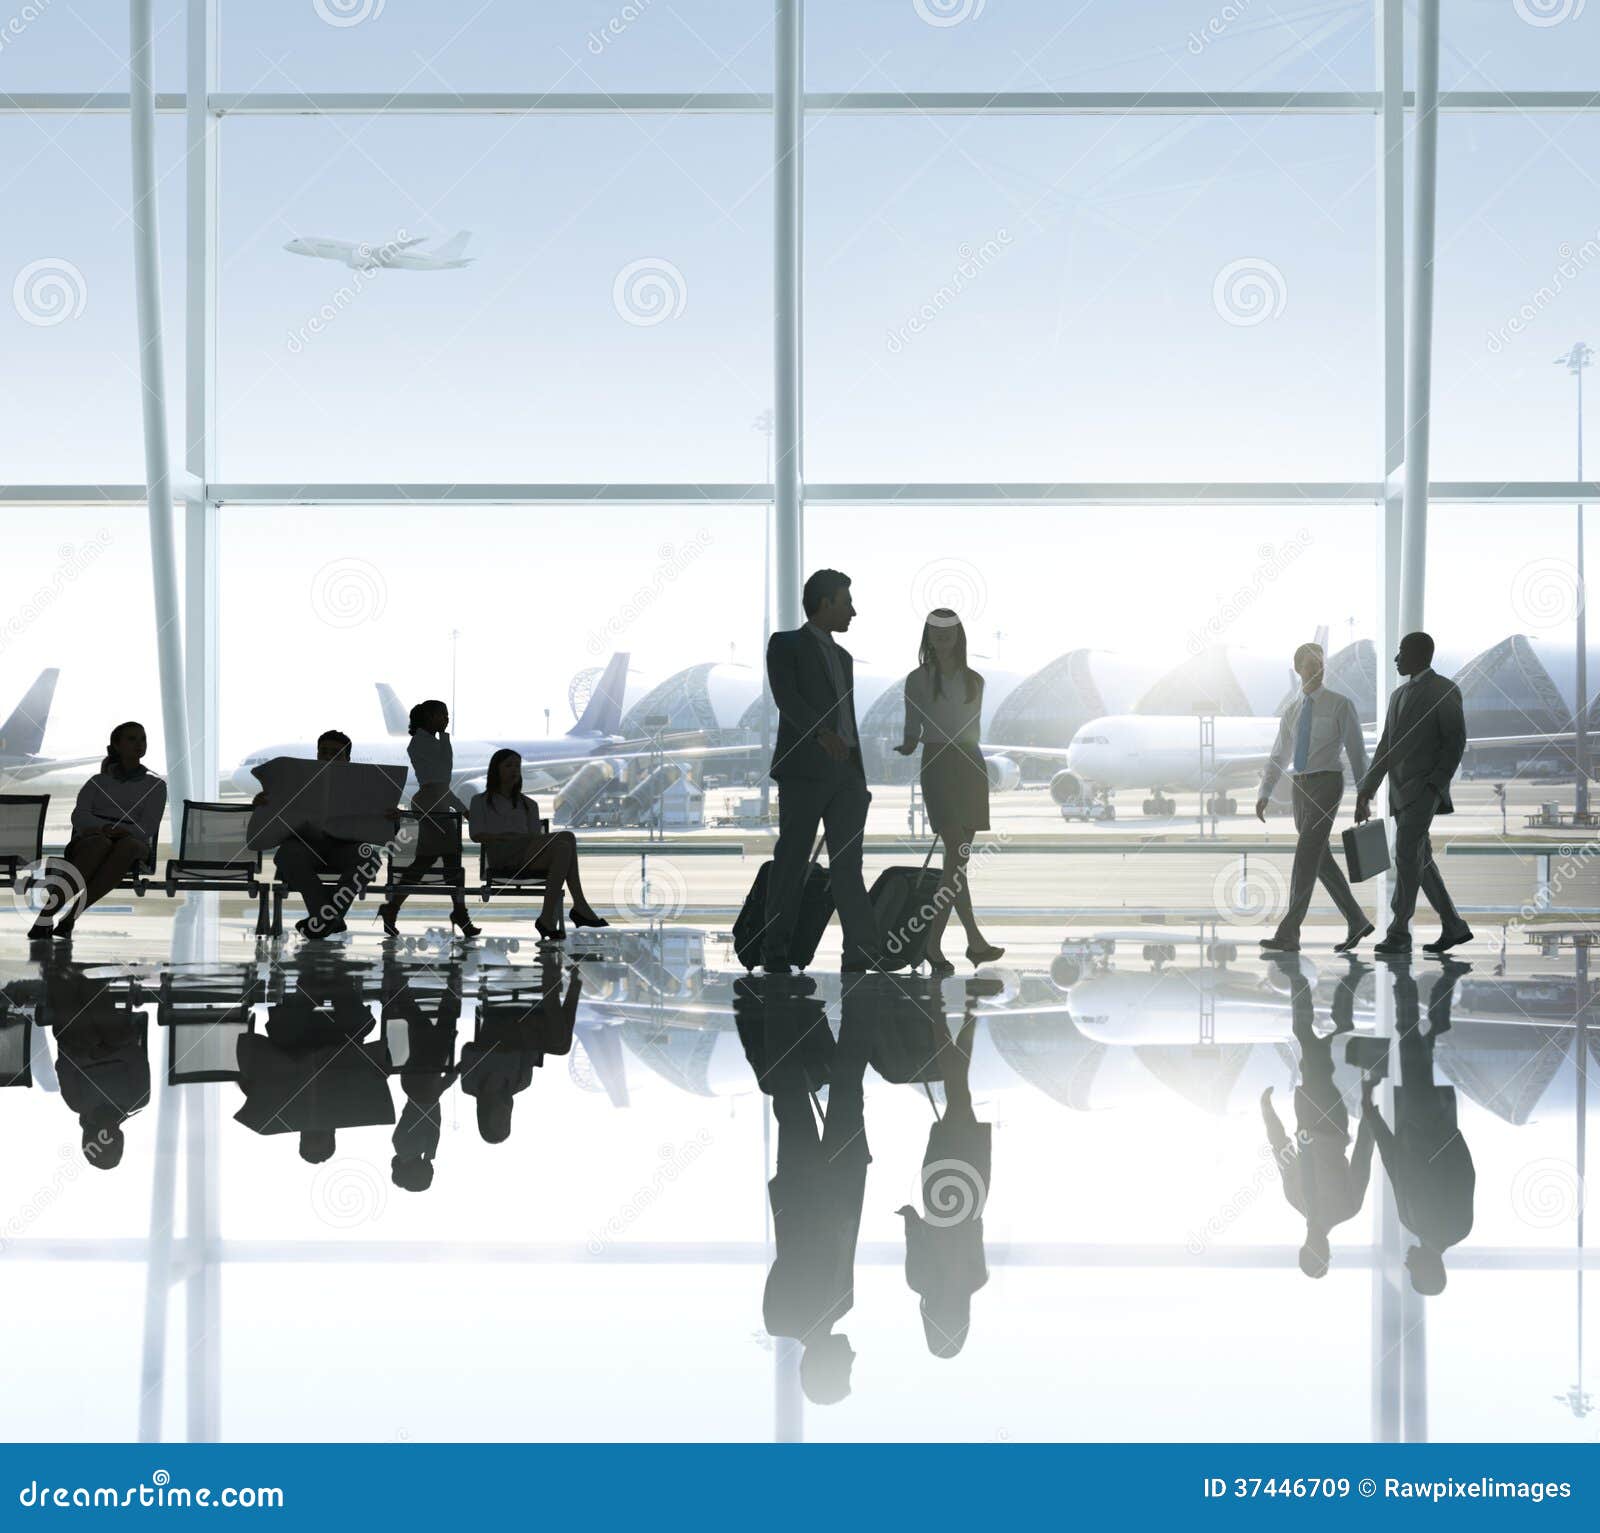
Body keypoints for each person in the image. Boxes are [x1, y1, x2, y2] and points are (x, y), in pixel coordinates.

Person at [733, 972, 872, 1405]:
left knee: (834, 1087)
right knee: (797, 1094)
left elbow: (826, 1241)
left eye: (845, 1369)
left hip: (829, 1181)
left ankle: (832, 1000)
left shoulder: (827, 1308)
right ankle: (781, 1004)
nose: (852, 1358)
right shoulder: (786, 1317)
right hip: (808, 1183)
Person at [762, 569, 884, 975]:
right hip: (805, 771)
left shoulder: (844, 658)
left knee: (848, 865)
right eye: (847, 602)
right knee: (792, 861)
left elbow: (847, 720)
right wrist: (820, 734)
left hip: (846, 774)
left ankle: (861, 952)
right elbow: (787, 699)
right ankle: (775, 950)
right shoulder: (785, 644)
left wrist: (859, 777)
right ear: (825, 603)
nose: (854, 611)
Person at [894, 609, 1005, 974]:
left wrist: (913, 743)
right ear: (928, 637)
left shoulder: (976, 680)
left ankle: (963, 941)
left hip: (969, 765)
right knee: (956, 859)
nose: (942, 639)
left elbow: (970, 729)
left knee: (956, 863)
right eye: (936, 633)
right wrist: (907, 746)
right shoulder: (917, 679)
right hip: (939, 763)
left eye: (948, 632)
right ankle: (944, 941)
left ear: (958, 635)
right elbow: (914, 728)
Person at [1355, 632, 1472, 958]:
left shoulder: (1444, 690)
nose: (1396, 658)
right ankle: (1454, 925)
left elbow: (1455, 740)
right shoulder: (1397, 696)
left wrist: (1436, 784)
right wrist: (1366, 789)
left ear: (1420, 654)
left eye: (1402, 652)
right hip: (1400, 792)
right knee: (1420, 860)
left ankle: (1398, 933)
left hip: (1424, 790)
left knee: (1405, 854)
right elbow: (1385, 748)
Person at [1363, 958, 1476, 1294]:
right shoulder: (1416, 1221)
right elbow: (1396, 1162)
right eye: (1413, 1271)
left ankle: (1446, 979)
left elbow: (1465, 1173)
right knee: (1411, 1040)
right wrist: (1373, 1113)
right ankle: (1402, 974)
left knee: (1422, 1045)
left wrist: (1448, 1134)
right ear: (1428, 1270)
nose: (1407, 1264)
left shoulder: (1457, 1228)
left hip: (1429, 1122)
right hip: (1420, 1119)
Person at [1260, 954, 1376, 1278]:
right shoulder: (1343, 1208)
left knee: (1315, 1045)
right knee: (1310, 1042)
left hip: (1308, 1114)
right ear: (1325, 1251)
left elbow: (1283, 1151)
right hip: (1327, 1121)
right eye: (1320, 1253)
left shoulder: (1298, 1199)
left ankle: (1348, 977)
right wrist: (1369, 1109)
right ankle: (1302, 974)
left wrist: (1268, 1113)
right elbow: (1363, 1157)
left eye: (1313, 1252)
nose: (1318, 1247)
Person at [1256, 642, 1373, 954]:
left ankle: (1289, 932)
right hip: (1300, 787)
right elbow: (1278, 755)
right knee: (1320, 859)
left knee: (1305, 855)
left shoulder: (1340, 704)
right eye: (1310, 665)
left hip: (1327, 783)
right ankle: (1357, 919)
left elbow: (1357, 752)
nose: (1317, 670)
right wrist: (1265, 791)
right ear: (1298, 669)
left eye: (1321, 664)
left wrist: (1365, 793)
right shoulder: (1292, 711)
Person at [896, 982, 994, 1356]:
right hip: (940, 1197)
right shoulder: (918, 1282)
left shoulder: (976, 1280)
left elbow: (977, 1231)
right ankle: (952, 1007)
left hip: (971, 1195)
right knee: (959, 1094)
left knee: (960, 1096)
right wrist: (909, 1215)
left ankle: (959, 1006)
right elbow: (913, 1230)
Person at [28, 721, 166, 943]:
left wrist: (121, 831)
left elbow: (147, 827)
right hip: (95, 836)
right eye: (132, 739)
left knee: (126, 845)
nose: (139, 744)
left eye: (142, 739)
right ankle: (56, 917)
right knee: (101, 845)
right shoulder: (97, 782)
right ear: (117, 745)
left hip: (131, 840)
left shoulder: (156, 786)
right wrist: (104, 828)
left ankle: (66, 916)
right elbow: (79, 816)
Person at [467, 748, 608, 942]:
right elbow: (475, 834)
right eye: (508, 765)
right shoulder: (480, 801)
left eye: (517, 765)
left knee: (565, 845)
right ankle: (575, 907)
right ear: (495, 770)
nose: (514, 770)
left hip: (526, 855)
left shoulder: (529, 804)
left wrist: (519, 839)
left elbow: (533, 838)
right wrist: (506, 837)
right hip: (502, 857)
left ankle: (549, 917)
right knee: (566, 838)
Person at [263, 729, 387, 941]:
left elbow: (382, 831)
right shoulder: (298, 782)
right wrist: (264, 805)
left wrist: (390, 818)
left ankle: (322, 920)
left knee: (369, 858)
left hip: (345, 847)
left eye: (335, 753)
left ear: (347, 759)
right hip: (307, 846)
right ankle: (330, 919)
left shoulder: (363, 787)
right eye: (324, 752)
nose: (328, 757)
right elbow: (278, 817)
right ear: (317, 753)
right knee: (286, 854)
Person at [376, 699, 480, 940]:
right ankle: (459, 912)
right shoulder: (421, 743)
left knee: (433, 861)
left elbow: (443, 783)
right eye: (441, 714)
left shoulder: (430, 742)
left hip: (437, 801)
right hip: (432, 803)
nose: (446, 718)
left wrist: (461, 807)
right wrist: (445, 738)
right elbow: (443, 770)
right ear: (428, 717)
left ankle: (395, 907)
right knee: (441, 860)